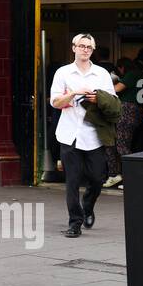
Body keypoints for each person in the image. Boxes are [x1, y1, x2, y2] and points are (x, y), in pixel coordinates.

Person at [49, 33, 116, 238]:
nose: (85, 49)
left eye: (89, 47)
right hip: (69, 134)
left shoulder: (102, 73)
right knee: (72, 180)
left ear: (93, 51)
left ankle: (88, 205)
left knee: (97, 179)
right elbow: (55, 102)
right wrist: (74, 93)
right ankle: (75, 223)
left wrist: (96, 98)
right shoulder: (63, 73)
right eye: (82, 46)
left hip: (94, 135)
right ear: (73, 48)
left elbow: (112, 101)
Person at [105, 54, 143, 188]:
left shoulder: (132, 75)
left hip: (127, 111)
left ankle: (132, 176)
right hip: (139, 111)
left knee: (122, 146)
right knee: (117, 144)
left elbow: (116, 89)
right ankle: (115, 174)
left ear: (122, 67)